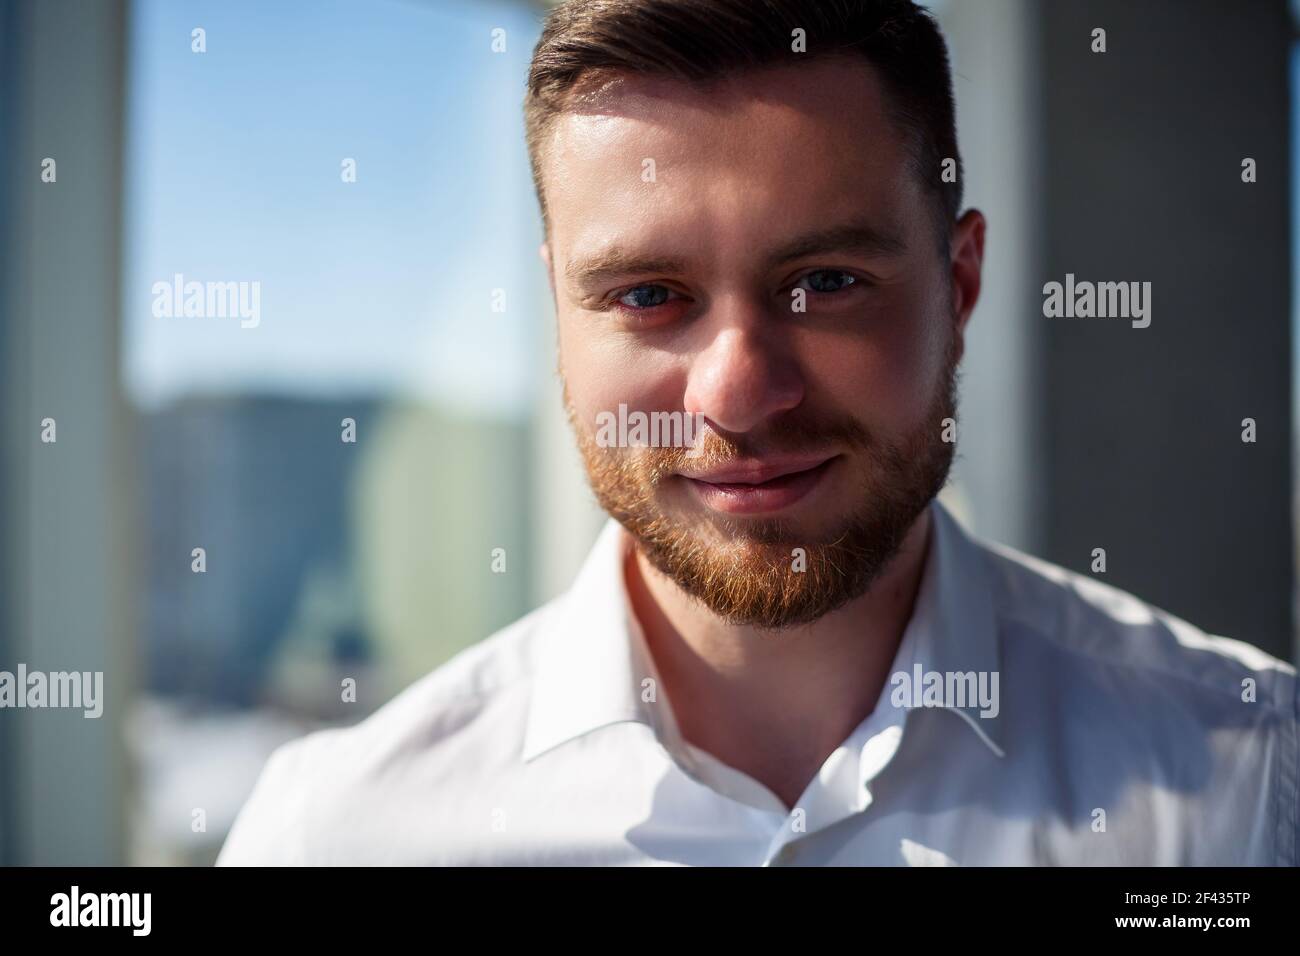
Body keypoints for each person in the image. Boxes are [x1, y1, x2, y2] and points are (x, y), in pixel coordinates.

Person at [218, 0, 1297, 866]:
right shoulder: (337, 835)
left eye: (826, 281)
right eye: (647, 294)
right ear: (558, 317)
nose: (736, 393)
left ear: (959, 285)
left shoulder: (1249, 779)